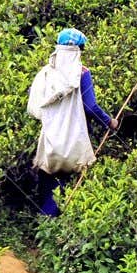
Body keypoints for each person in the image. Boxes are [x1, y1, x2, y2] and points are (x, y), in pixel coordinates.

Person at [34, 27, 117, 217]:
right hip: (75, 138)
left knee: (48, 179)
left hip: (50, 137)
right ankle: (65, 225)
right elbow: (90, 107)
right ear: (78, 50)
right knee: (71, 181)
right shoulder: (81, 74)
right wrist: (109, 122)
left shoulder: (47, 72)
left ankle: (46, 223)